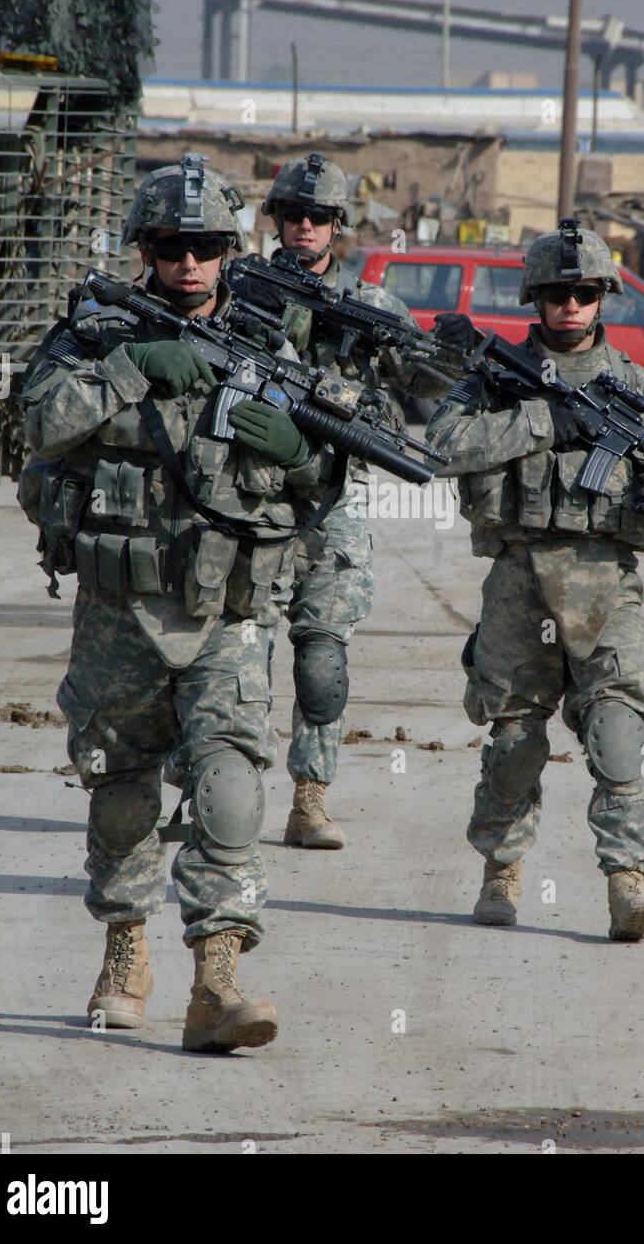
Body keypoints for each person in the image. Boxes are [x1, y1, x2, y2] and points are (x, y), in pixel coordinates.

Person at [19, 154, 332, 1051]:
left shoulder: (273, 343)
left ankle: (218, 981)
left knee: (230, 781)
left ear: (230, 249)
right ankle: (126, 952)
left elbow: (326, 478)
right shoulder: (95, 333)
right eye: (169, 245)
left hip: (228, 609)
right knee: (121, 787)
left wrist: (301, 452)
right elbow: (37, 422)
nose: (188, 263)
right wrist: (130, 371)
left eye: (204, 245)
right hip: (120, 606)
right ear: (144, 249)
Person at [426, 224, 644, 938]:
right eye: (556, 294)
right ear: (535, 298)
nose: (570, 307)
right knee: (516, 739)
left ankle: (627, 882)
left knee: (617, 730)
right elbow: (441, 444)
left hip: (606, 582)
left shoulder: (641, 391)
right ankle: (501, 868)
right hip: (519, 578)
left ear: (603, 298)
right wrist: (541, 421)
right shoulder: (498, 378)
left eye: (584, 293)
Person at [259, 153, 444, 850]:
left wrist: (444, 355)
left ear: (338, 226)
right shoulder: (238, 286)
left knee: (323, 657)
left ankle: (310, 799)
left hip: (330, 500)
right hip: (241, 499)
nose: (304, 227)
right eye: (293, 215)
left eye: (319, 217)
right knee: (228, 652)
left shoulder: (370, 306)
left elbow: (429, 384)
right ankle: (209, 790)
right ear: (276, 220)